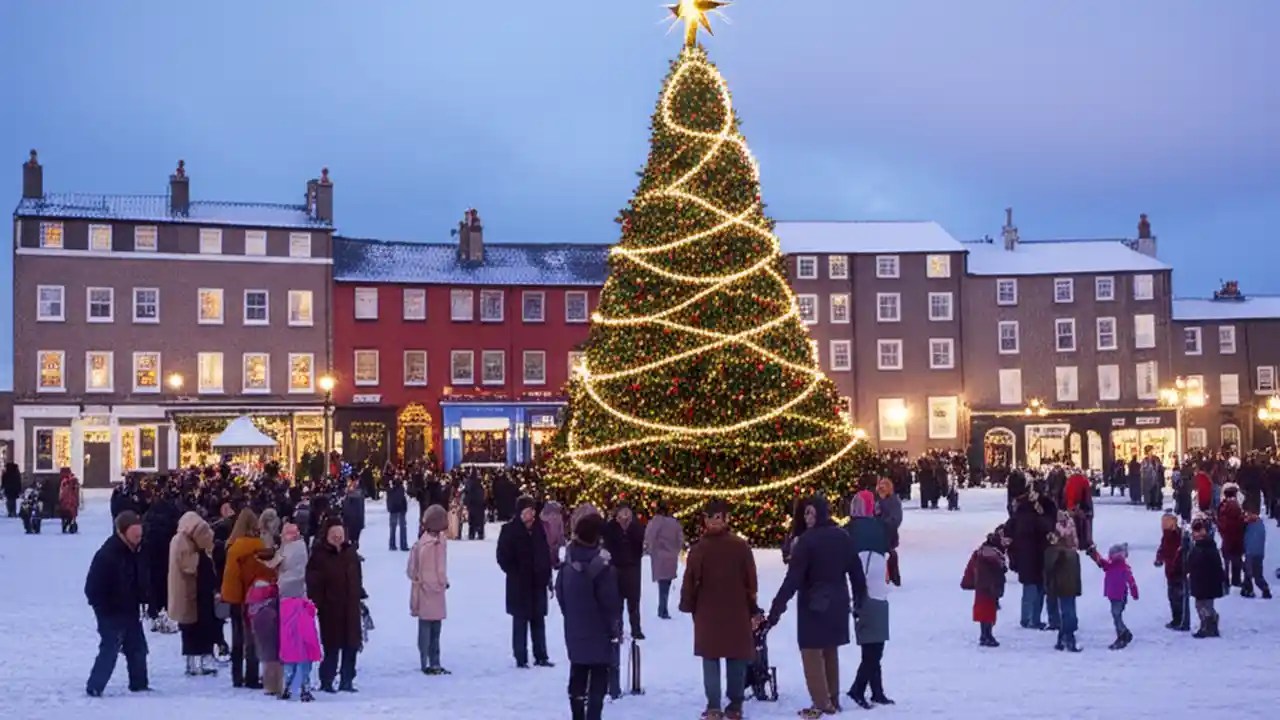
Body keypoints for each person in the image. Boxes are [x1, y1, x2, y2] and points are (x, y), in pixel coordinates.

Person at [767, 496, 865, 718]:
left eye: (811, 513)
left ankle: (822, 703)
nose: (808, 518)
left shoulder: (806, 541)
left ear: (820, 513)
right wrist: (860, 599)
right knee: (830, 650)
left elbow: (792, 579)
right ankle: (832, 698)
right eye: (805, 513)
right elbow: (856, 572)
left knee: (812, 652)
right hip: (839, 600)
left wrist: (776, 608)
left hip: (814, 602)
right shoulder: (843, 537)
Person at [679, 500, 760, 720]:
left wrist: (688, 604)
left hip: (707, 611)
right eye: (709, 517)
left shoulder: (699, 548)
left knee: (711, 657)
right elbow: (750, 580)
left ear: (724, 519)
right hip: (736, 610)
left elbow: (690, 581)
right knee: (736, 658)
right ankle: (735, 705)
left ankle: (714, 705)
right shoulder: (740, 547)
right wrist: (752, 605)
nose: (712, 522)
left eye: (715, 517)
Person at [557, 513, 622, 720]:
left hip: (575, 629)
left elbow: (560, 594)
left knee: (578, 672)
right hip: (599, 631)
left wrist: (571, 616)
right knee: (598, 677)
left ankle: (577, 713)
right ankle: (593, 715)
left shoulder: (567, 562)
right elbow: (610, 602)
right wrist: (615, 628)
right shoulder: (602, 567)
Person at [84, 511, 149, 697]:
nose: (138, 539)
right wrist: (106, 608)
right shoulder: (107, 555)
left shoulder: (137, 552)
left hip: (131, 610)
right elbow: (92, 589)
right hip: (111, 613)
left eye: (140, 535)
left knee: (138, 649)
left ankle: (139, 685)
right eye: (135, 535)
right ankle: (95, 686)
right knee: (110, 648)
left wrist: (145, 596)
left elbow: (140, 579)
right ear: (122, 532)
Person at [846, 490, 893, 708]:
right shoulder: (872, 530)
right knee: (874, 649)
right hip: (872, 594)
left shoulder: (853, 530)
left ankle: (876, 691)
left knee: (872, 646)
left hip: (870, 593)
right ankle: (858, 689)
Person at [307, 518, 364, 691]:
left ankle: (347, 679)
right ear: (327, 535)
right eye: (334, 534)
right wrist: (319, 603)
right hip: (330, 608)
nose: (338, 537)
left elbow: (357, 576)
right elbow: (313, 582)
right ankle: (327, 680)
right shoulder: (319, 555)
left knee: (351, 645)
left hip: (351, 606)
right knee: (332, 646)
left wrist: (359, 593)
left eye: (340, 534)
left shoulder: (350, 552)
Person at [496, 496, 554, 668]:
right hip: (519, 584)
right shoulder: (509, 530)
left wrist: (547, 575)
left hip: (538, 582)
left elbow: (545, 554)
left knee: (538, 620)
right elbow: (502, 556)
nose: (530, 514)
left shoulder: (539, 529)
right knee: (520, 621)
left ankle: (541, 655)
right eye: (527, 511)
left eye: (532, 510)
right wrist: (514, 572)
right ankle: (520, 657)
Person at [222, 508, 274, 689]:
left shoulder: (231, 545)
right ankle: (251, 676)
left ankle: (236, 676)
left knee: (237, 638)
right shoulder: (256, 545)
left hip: (232, 597)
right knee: (251, 638)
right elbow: (264, 571)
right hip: (249, 596)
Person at [168, 511, 220, 676]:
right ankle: (195, 662)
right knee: (193, 628)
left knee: (193, 628)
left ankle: (195, 661)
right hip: (191, 593)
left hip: (192, 593)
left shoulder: (181, 539)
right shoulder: (183, 542)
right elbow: (189, 566)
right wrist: (203, 557)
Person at [274, 523, 320, 702]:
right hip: (302, 601)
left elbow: (279, 568)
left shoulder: (288, 551)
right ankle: (304, 686)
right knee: (305, 646)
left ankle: (288, 684)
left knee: (290, 646)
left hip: (289, 601)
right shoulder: (302, 549)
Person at [408, 505, 451, 675]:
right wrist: (439, 582)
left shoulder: (431, 542)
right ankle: (429, 660)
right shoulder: (429, 545)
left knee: (432, 627)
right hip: (430, 589)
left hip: (432, 590)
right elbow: (431, 569)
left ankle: (432, 661)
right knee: (429, 628)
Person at [603, 503, 646, 639]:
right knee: (617, 602)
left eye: (627, 513)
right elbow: (607, 544)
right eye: (622, 513)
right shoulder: (610, 527)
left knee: (633, 602)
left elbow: (640, 544)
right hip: (616, 567)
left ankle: (636, 629)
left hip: (633, 567)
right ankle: (618, 629)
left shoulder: (636, 527)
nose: (625, 516)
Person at [1086, 542, 1139, 650]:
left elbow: (1131, 582)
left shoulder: (1123, 568)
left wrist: (1134, 593)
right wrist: (1093, 553)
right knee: (1116, 616)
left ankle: (1122, 635)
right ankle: (1124, 633)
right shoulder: (1110, 566)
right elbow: (1100, 561)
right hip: (1113, 596)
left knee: (1116, 616)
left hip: (1120, 596)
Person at [961, 529, 1008, 647]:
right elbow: (993, 573)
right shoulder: (992, 556)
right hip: (988, 587)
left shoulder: (983, 553)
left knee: (986, 612)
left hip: (983, 587)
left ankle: (986, 634)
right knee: (987, 612)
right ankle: (986, 635)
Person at [1044, 512, 1083, 652]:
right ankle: (1068, 637)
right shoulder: (1072, 554)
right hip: (1067, 586)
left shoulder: (1054, 553)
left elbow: (1048, 569)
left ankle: (1062, 638)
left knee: (1066, 612)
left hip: (1060, 586)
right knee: (1069, 611)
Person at [643, 500, 684, 620]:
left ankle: (662, 608)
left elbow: (649, 536)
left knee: (663, 584)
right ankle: (663, 608)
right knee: (667, 583)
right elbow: (680, 539)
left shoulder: (656, 522)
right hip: (671, 556)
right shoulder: (674, 523)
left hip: (660, 556)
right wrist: (675, 550)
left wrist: (651, 549)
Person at [1187, 518, 1225, 638]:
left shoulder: (1207, 547)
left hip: (1207, 582)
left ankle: (1209, 626)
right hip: (1200, 581)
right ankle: (1208, 624)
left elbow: (1215, 566)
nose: (1196, 534)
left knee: (1204, 605)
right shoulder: (1198, 546)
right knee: (1201, 605)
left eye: (1199, 531)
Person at [1154, 513, 1186, 629]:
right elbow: (1162, 548)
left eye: (1165, 522)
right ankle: (1176, 618)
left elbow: (1181, 552)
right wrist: (1159, 559)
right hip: (1170, 571)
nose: (1162, 525)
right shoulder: (1166, 536)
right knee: (1172, 596)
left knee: (1177, 596)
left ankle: (1180, 619)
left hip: (1178, 570)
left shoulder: (1178, 535)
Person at [876, 478, 904, 586]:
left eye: (884, 486)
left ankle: (894, 577)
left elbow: (897, 518)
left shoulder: (894, 500)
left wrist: (885, 523)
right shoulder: (876, 500)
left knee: (891, 554)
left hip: (889, 533)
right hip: (877, 532)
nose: (882, 488)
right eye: (880, 486)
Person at [1217, 484, 1245, 590]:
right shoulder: (1236, 507)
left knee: (1227, 561)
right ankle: (1235, 581)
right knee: (1236, 560)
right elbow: (1241, 523)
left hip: (1227, 539)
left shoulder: (1222, 507)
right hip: (1236, 539)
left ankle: (1226, 582)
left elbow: (1220, 523)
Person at [1241, 510, 1271, 599]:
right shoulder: (1261, 526)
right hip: (1259, 553)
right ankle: (1265, 589)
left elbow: (1246, 538)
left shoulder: (1250, 526)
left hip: (1250, 552)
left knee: (1248, 573)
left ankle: (1248, 590)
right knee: (1258, 574)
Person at [341, 480, 366, 549]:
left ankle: (353, 550)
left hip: (353, 519)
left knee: (353, 538)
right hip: (352, 519)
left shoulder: (355, 494)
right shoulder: (356, 494)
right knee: (353, 538)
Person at [387, 476, 409, 552]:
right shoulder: (401, 489)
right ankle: (403, 545)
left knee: (393, 528)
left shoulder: (390, 490)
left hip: (393, 510)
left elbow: (389, 500)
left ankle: (392, 544)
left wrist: (389, 508)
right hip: (401, 509)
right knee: (402, 527)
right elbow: (403, 499)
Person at [58, 469, 80, 533]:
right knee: (70, 514)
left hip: (68, 502)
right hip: (70, 502)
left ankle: (66, 525)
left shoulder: (65, 482)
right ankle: (68, 525)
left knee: (67, 514)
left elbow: (62, 493)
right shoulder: (70, 481)